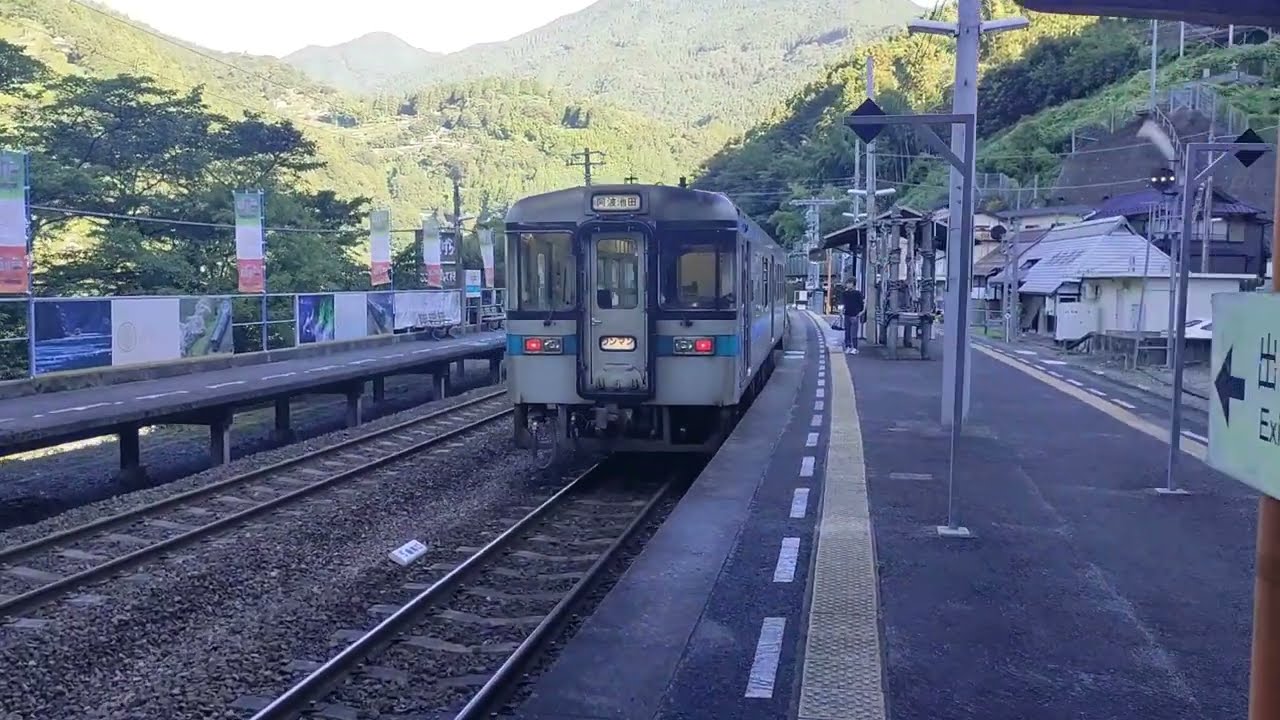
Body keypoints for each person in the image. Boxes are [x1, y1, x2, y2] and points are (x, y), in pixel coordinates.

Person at [841, 284, 864, 354]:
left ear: (853, 284)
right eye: (847, 283)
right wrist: (842, 311)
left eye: (849, 283)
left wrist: (860, 313)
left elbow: (861, 304)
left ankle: (855, 348)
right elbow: (844, 303)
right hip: (847, 314)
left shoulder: (857, 293)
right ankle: (848, 346)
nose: (848, 285)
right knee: (847, 331)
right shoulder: (845, 293)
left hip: (855, 315)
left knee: (853, 332)